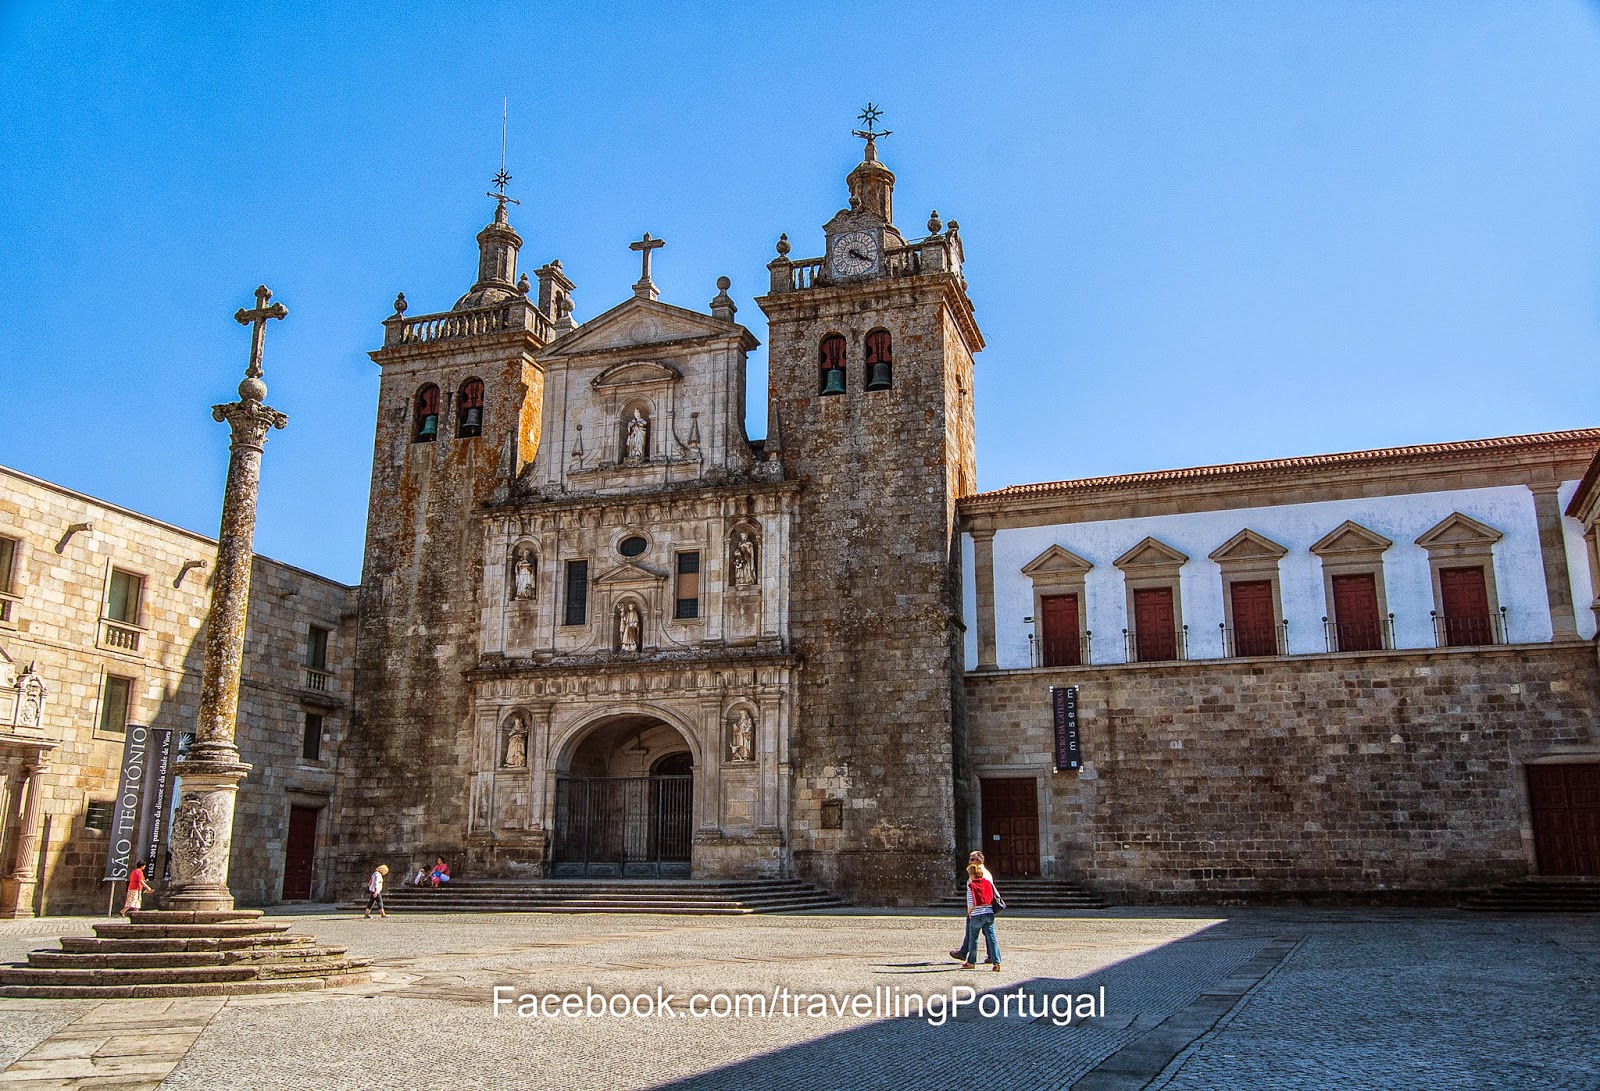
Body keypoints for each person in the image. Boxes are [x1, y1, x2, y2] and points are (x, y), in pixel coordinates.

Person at [949, 850, 998, 962]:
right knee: (989, 935)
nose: (969, 861)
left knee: (972, 935)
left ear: (979, 860)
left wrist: (970, 909)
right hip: (987, 910)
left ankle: (967, 957)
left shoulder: (978, 875)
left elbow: (975, 894)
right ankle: (992, 957)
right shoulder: (985, 873)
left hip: (977, 909)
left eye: (972, 859)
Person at [959, 862, 1001, 971]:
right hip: (989, 913)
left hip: (977, 914)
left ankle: (971, 962)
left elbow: (970, 903)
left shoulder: (971, 885)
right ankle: (997, 963)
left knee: (974, 939)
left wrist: (970, 913)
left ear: (972, 875)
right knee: (992, 938)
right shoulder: (988, 883)